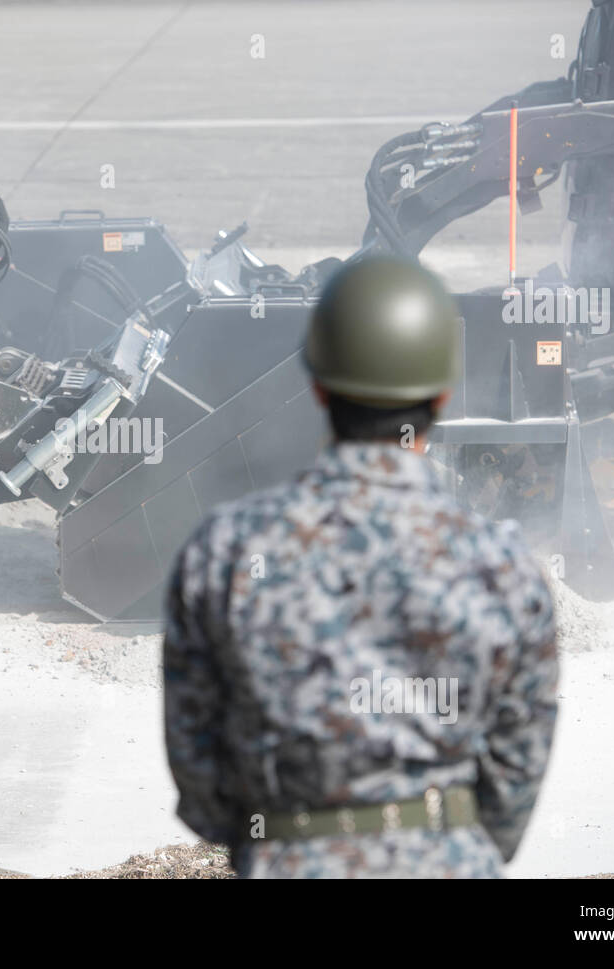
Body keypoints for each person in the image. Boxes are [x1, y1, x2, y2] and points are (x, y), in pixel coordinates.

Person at [163, 256, 558, 878]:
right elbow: (516, 770)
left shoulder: (229, 548)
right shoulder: (502, 564)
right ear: (443, 393)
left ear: (318, 385)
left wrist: (271, 842)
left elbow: (198, 765)